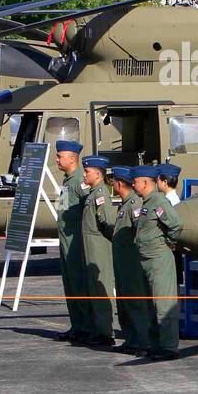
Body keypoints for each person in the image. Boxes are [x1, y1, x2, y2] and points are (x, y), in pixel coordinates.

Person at [132, 165, 184, 360]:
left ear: (145, 182)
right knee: (151, 305)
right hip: (147, 259)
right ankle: (156, 344)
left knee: (163, 304)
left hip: (159, 259)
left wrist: (169, 243)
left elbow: (176, 224)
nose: (134, 185)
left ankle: (169, 346)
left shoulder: (158, 202)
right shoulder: (147, 202)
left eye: (136, 181)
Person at [109, 166, 150, 355]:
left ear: (119, 183)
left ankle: (142, 340)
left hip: (131, 264)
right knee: (125, 302)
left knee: (135, 302)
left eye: (113, 181)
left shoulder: (134, 204)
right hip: (123, 264)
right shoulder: (125, 204)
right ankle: (131, 338)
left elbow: (139, 232)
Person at [78, 155, 118, 348]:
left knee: (101, 288)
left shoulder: (101, 195)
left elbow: (108, 222)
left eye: (87, 172)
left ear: (98, 174)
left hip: (98, 248)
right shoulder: (92, 194)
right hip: (90, 247)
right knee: (93, 288)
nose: (84, 175)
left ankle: (105, 332)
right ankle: (98, 329)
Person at [53, 140, 90, 344]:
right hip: (66, 241)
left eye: (60, 156)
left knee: (79, 283)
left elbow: (90, 205)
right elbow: (64, 209)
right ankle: (77, 325)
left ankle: (85, 326)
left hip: (76, 242)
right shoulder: (68, 181)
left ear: (72, 159)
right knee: (70, 284)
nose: (57, 159)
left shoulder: (79, 181)